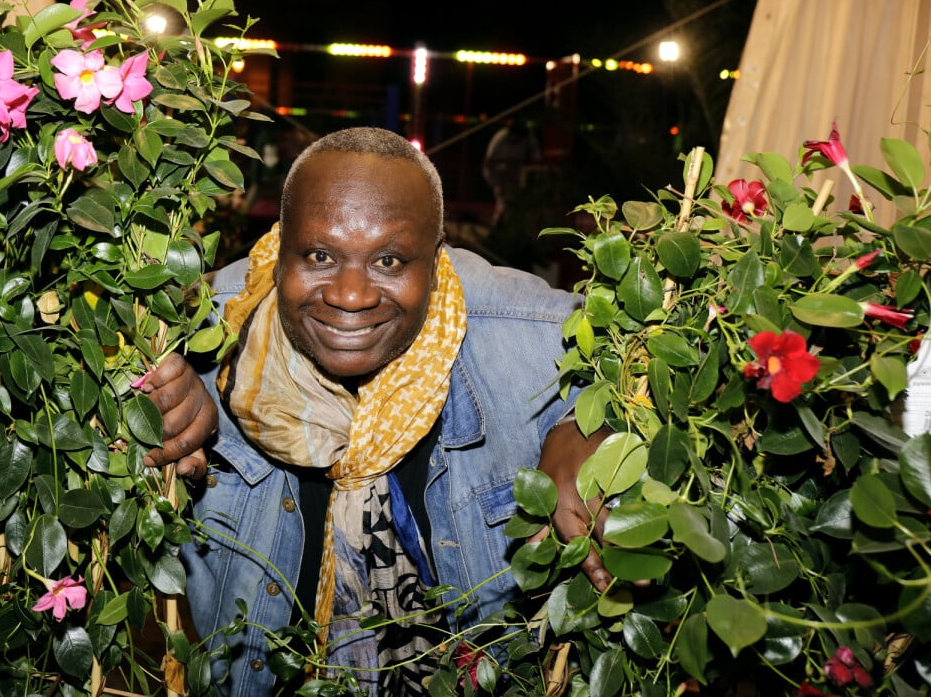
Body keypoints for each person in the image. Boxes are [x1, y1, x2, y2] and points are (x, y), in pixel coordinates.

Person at [156, 127, 611, 695]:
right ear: (277, 246)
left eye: (389, 260)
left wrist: (595, 423)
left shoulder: (541, 347)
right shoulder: (192, 339)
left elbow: (654, 367)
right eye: (320, 255)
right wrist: (153, 418)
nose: (351, 295)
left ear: (437, 258)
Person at [482, 116, 541, 225]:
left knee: (518, 206)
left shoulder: (528, 138)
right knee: (503, 204)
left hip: (518, 176)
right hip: (501, 176)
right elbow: (489, 162)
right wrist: (496, 183)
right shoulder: (501, 138)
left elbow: (535, 159)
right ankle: (499, 227)